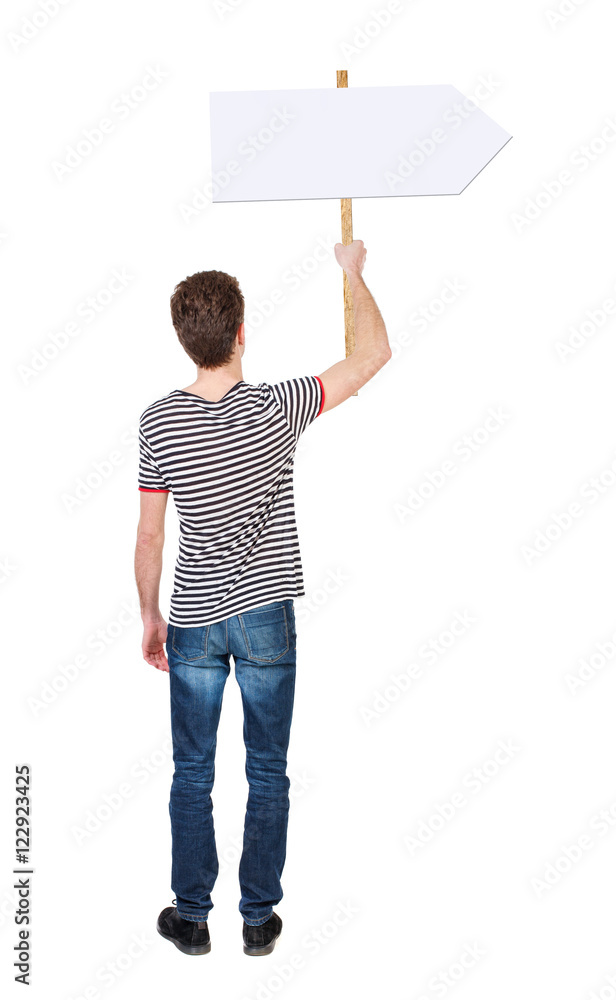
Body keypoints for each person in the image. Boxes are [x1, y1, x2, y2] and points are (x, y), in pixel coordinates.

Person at [134, 239, 391, 957]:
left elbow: (150, 536)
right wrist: (351, 274)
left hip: (192, 619)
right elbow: (372, 355)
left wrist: (150, 614)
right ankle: (256, 919)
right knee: (266, 770)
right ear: (242, 333)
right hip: (265, 620)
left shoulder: (159, 420)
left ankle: (191, 917)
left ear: (187, 341)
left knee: (191, 771)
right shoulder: (280, 408)